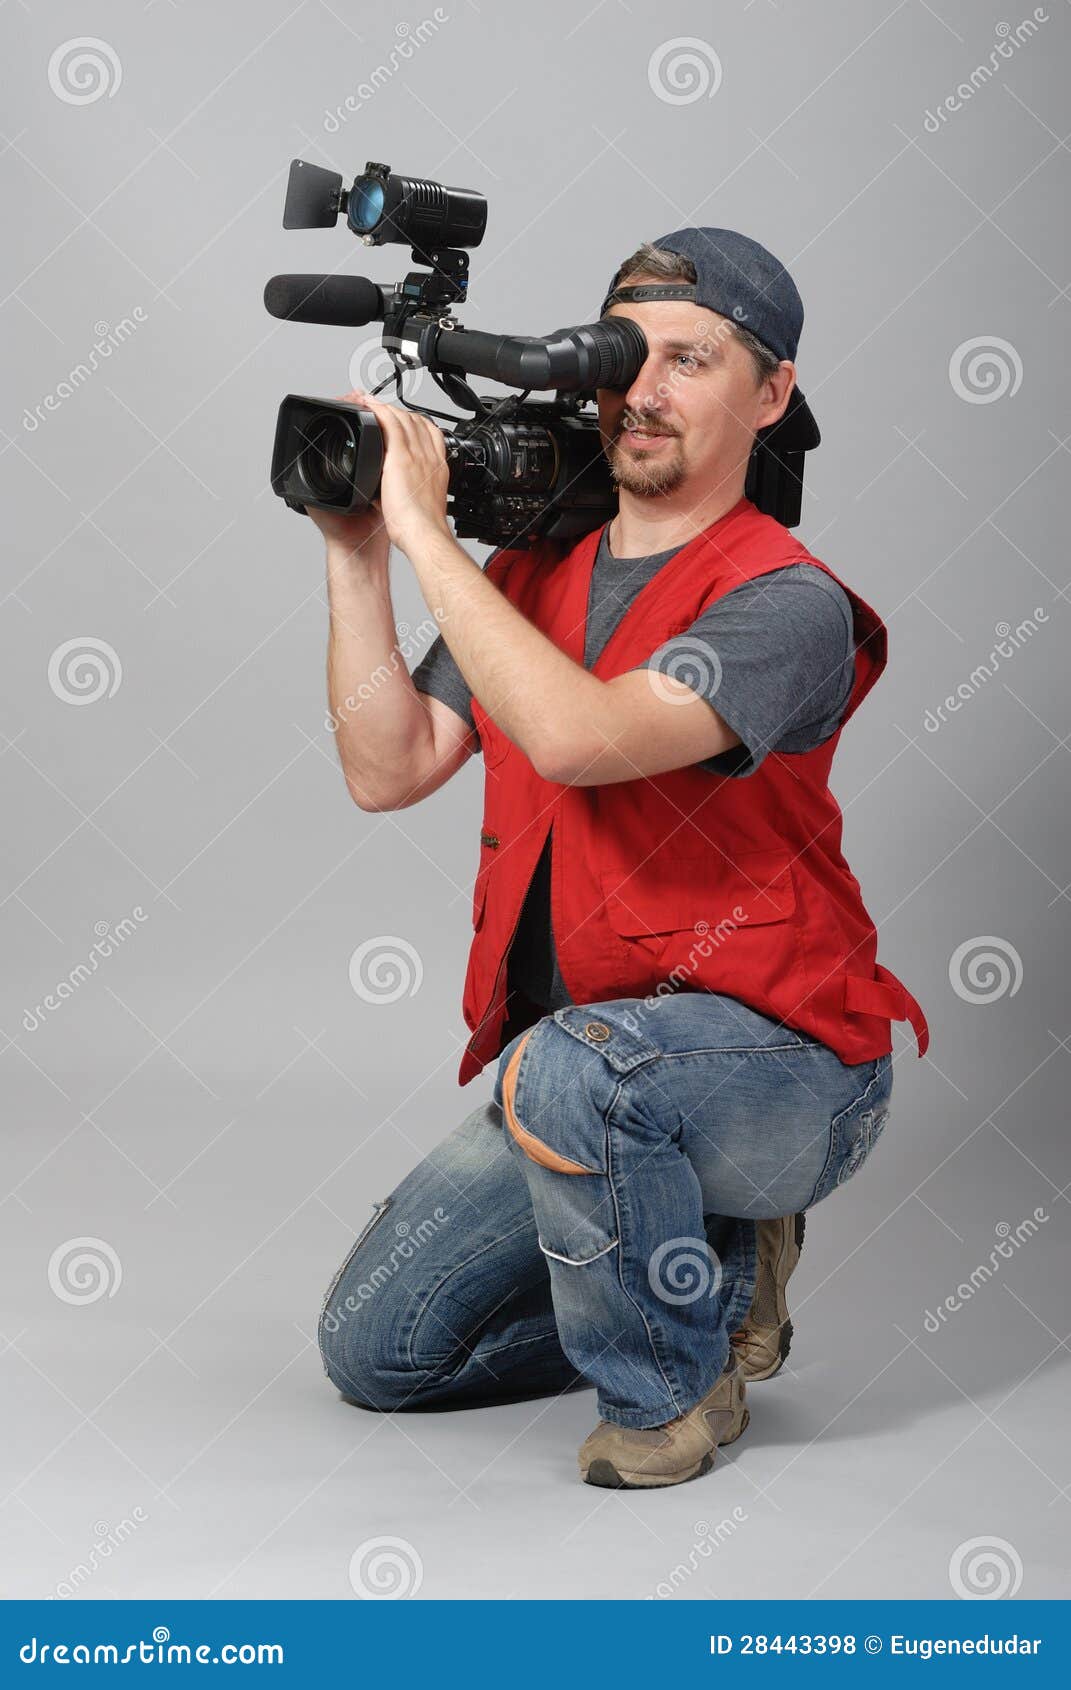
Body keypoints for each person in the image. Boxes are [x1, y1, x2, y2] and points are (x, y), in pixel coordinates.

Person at [313, 228, 929, 1489]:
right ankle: (700, 1261)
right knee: (378, 1351)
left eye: (688, 360)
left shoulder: (785, 602)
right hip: (586, 1064)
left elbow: (580, 735)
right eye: (622, 356)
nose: (640, 391)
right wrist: (361, 551)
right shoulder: (535, 573)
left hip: (784, 1064)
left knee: (576, 1071)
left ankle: (668, 1398)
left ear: (770, 395)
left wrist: (432, 540)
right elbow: (390, 763)